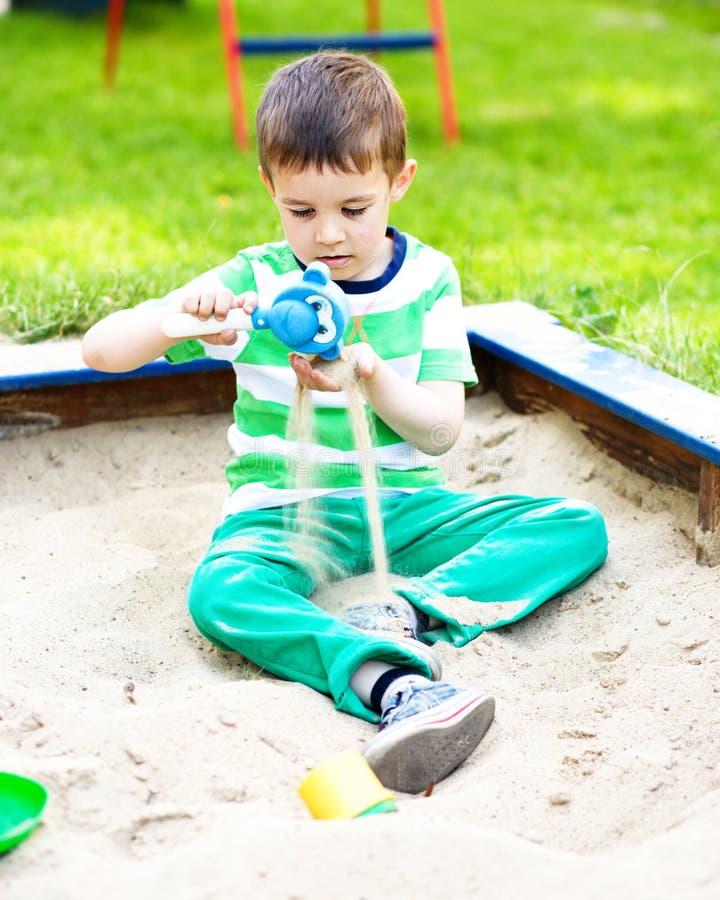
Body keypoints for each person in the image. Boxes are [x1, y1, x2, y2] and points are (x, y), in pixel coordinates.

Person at [82, 51, 608, 794]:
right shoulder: (254, 284)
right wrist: (180, 319)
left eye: (353, 209)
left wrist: (369, 373)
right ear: (269, 189)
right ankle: (390, 684)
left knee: (574, 525)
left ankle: (408, 613)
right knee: (219, 593)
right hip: (284, 512)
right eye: (301, 211)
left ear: (399, 182)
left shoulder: (429, 280)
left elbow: (438, 433)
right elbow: (101, 351)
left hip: (406, 508)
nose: (327, 235)